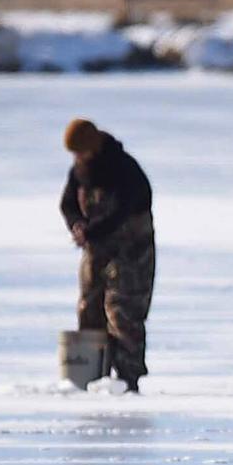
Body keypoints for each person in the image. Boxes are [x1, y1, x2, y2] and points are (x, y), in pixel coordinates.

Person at [59, 118, 155, 393]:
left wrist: (91, 231)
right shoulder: (80, 170)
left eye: (80, 152)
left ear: (93, 146)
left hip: (131, 252)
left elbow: (122, 212)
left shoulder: (125, 169)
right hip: (95, 250)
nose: (77, 158)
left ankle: (128, 380)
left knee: (122, 310)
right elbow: (67, 203)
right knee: (89, 308)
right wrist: (77, 225)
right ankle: (86, 377)